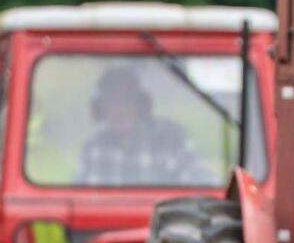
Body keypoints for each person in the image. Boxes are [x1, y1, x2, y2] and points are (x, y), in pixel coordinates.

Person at [76, 66, 212, 187]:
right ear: (100, 108)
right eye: (112, 100)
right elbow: (79, 198)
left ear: (142, 104)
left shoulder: (172, 140)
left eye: (127, 99)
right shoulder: (93, 146)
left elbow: (204, 187)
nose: (120, 109)